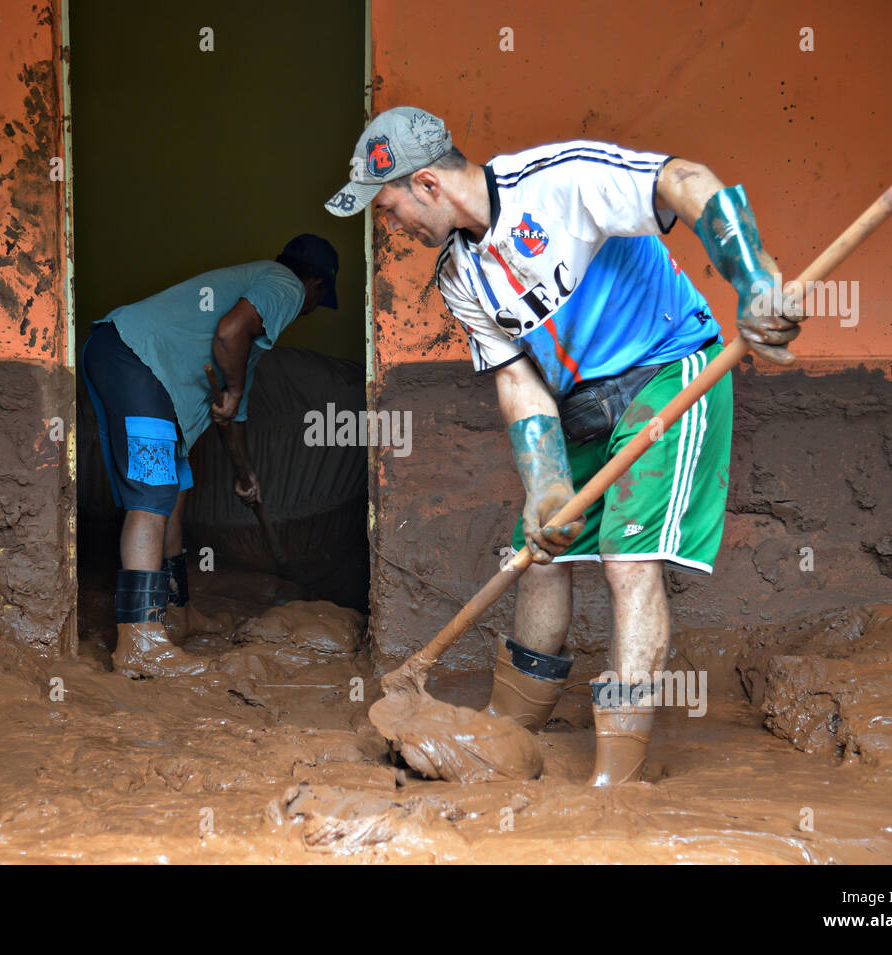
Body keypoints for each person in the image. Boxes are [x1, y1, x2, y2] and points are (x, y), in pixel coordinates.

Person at [326, 107, 801, 785]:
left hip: (665, 369)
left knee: (626, 559)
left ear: (427, 183)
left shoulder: (559, 182)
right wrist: (547, 485)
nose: (390, 224)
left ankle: (617, 770)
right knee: (541, 551)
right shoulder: (461, 276)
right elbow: (520, 383)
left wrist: (754, 278)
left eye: (389, 205)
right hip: (578, 405)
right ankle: (509, 730)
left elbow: (685, 180)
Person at [81, 234, 340, 678]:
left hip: (141, 372)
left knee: (177, 488)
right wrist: (234, 389)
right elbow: (228, 332)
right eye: (318, 299)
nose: (309, 309)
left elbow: (229, 415)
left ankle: (177, 612)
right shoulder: (285, 285)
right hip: (134, 361)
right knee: (154, 493)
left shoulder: (251, 345)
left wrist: (245, 474)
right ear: (314, 285)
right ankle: (139, 642)